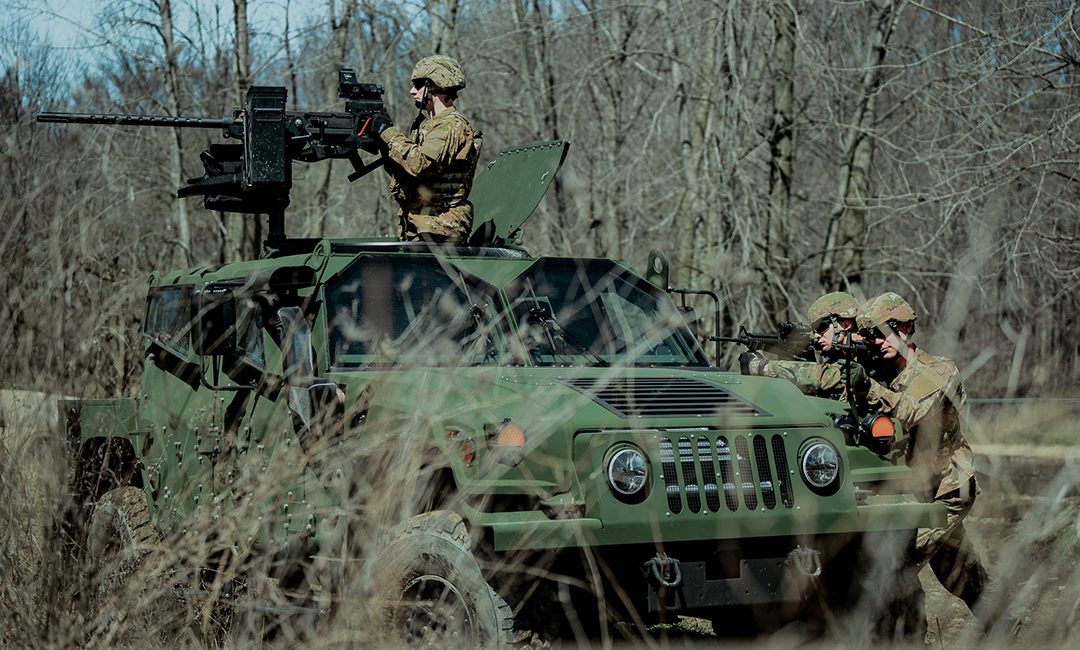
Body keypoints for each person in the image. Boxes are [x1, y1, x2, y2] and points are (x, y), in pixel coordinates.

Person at [857, 292, 1005, 633]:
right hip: (914, 494)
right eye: (872, 335)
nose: (878, 341)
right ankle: (1008, 629)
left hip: (947, 490)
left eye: (885, 331)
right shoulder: (881, 373)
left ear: (907, 328)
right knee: (962, 575)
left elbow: (911, 410)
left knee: (898, 563)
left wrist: (865, 386)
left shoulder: (938, 369)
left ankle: (909, 636)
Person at [369, 55, 483, 243]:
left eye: (419, 85)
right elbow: (407, 173)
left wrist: (388, 133)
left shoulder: (450, 126)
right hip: (423, 229)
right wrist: (383, 143)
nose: (412, 91)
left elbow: (420, 165)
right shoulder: (433, 127)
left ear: (437, 86)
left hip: (439, 230)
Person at [740, 291, 870, 400]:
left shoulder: (872, 351)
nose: (817, 336)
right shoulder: (841, 356)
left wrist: (762, 366)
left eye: (821, 328)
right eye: (814, 331)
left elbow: (827, 377)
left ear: (846, 325)